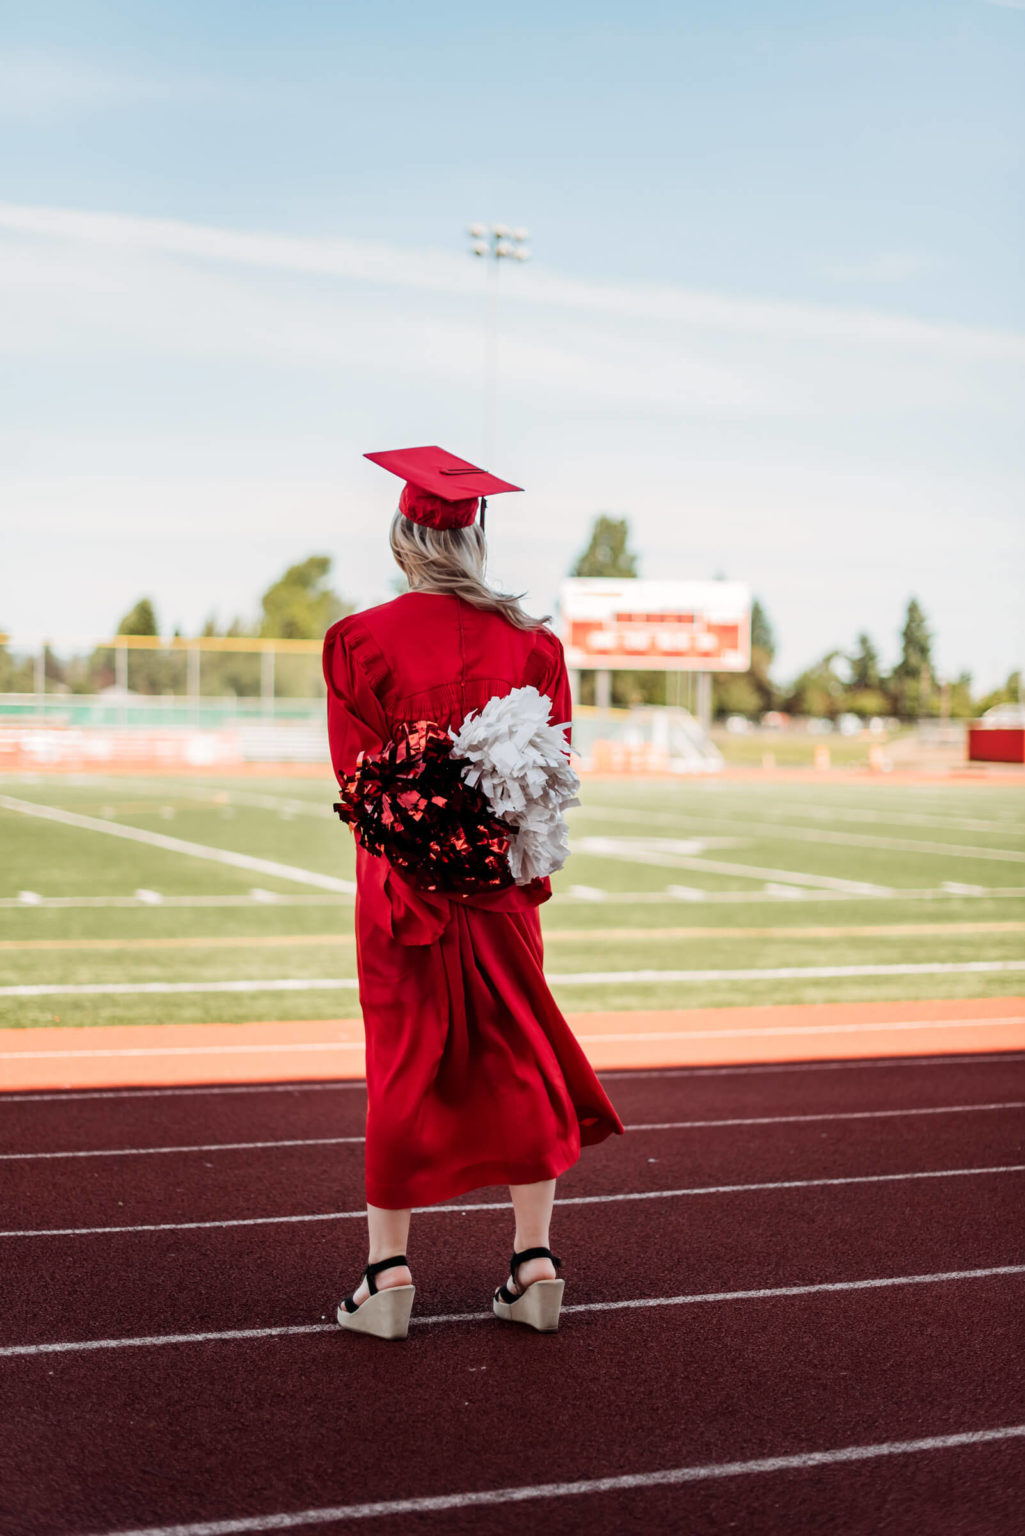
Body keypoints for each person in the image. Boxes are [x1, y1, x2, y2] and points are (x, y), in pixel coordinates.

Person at [322, 445, 623, 1340]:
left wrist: (425, 831)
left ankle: (387, 1277)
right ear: (474, 539)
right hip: (502, 889)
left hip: (402, 895)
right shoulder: (535, 646)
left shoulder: (358, 640)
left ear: (402, 538)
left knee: (402, 1065)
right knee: (518, 1056)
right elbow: (549, 778)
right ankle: (534, 1264)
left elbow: (357, 783)